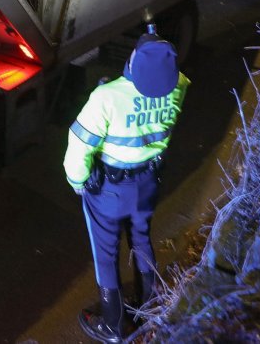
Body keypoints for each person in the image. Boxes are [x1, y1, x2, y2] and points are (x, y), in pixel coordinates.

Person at [64, 28, 190, 343]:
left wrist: (77, 180)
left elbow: (79, 144)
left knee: (106, 253)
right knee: (142, 239)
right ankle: (150, 308)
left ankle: (114, 326)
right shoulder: (180, 87)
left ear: (133, 61)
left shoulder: (107, 98)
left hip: (109, 188)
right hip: (148, 181)